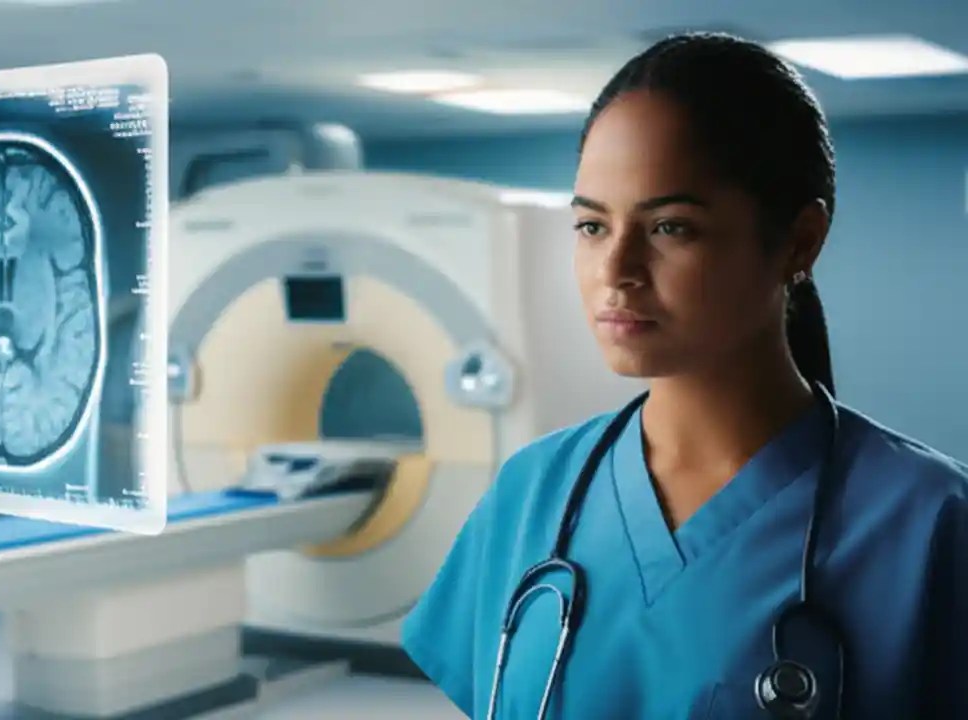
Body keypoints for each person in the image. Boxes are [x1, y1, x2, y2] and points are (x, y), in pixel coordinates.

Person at [400, 31, 968, 719]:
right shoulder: (532, 492)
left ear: (799, 241)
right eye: (591, 228)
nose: (616, 272)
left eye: (670, 228)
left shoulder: (929, 523)